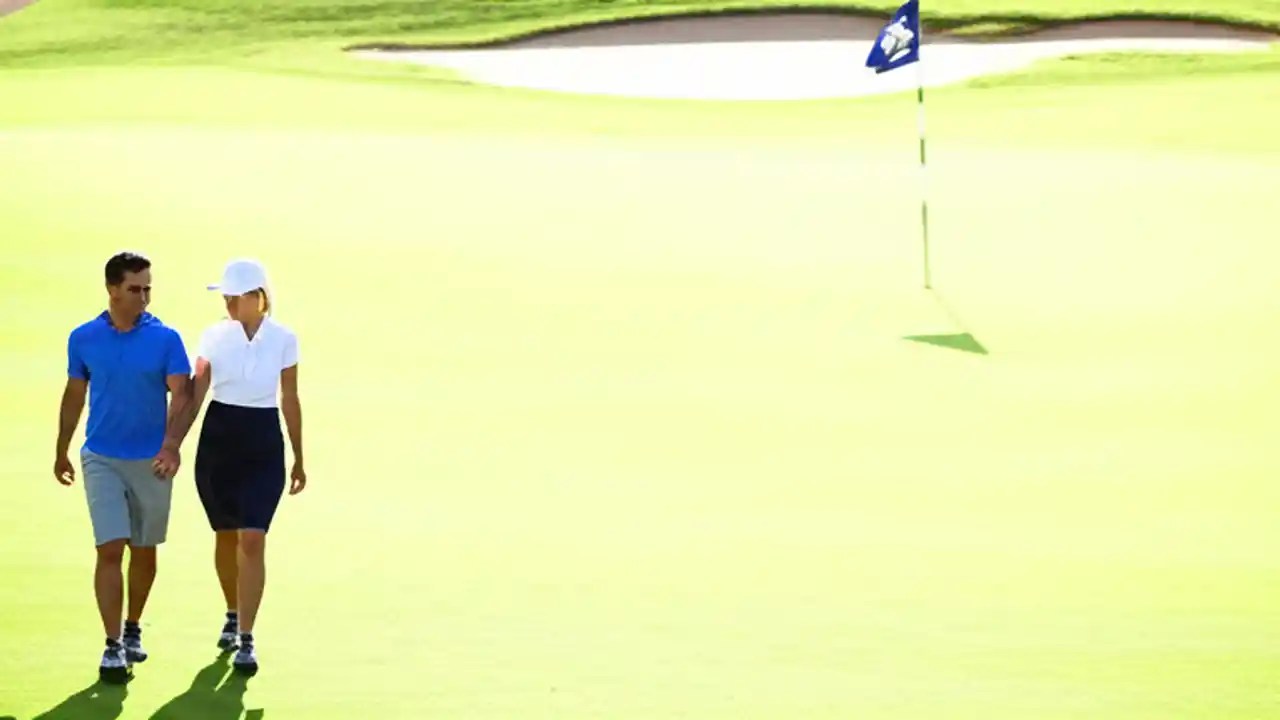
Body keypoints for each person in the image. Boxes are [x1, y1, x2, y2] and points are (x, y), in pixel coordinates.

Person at [54, 251, 192, 684]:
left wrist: (171, 446)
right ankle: (112, 644)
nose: (144, 298)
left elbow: (182, 396)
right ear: (112, 289)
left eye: (148, 288)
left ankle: (133, 626)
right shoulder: (83, 337)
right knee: (110, 548)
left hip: (151, 462)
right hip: (102, 458)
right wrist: (62, 448)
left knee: (144, 550)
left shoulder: (167, 339)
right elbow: (75, 394)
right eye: (135, 289)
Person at [165, 257, 305, 677]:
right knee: (226, 535)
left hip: (263, 441)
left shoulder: (284, 338)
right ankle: (231, 611)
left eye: (235, 296)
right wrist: (172, 443)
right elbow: (196, 392)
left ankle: (246, 635)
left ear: (257, 297)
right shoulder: (214, 336)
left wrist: (299, 456)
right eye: (225, 296)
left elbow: (290, 398)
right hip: (220, 440)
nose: (227, 302)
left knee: (253, 539)